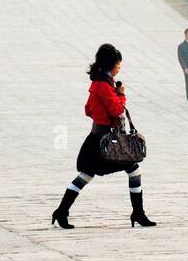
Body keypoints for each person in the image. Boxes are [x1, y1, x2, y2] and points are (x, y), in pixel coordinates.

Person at [52, 44, 156, 229]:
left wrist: (102, 114)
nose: (119, 67)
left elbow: (88, 110)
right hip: (107, 142)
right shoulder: (103, 85)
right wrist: (121, 95)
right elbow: (117, 110)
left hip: (96, 137)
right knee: (133, 169)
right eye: (118, 63)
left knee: (86, 175)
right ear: (111, 64)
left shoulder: (97, 83)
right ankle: (138, 213)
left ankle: (61, 211)